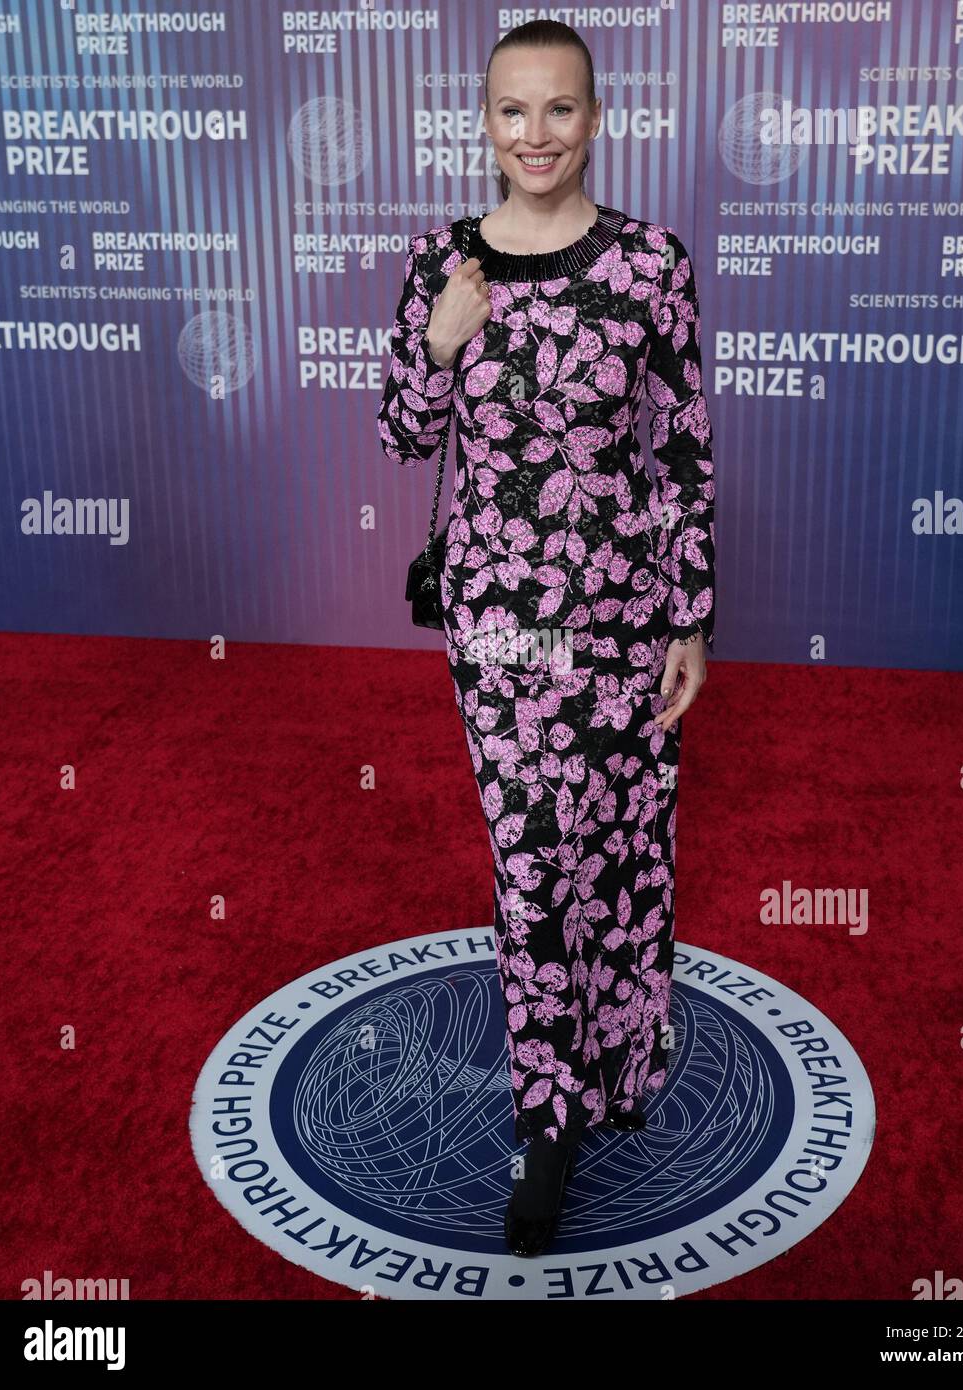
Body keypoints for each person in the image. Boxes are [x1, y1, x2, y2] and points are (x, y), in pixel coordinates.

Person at [376, 18, 715, 1257]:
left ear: (596, 116)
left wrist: (691, 615)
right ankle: (547, 1113)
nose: (535, 135)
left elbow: (678, 450)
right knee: (530, 862)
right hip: (499, 622)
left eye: (558, 109)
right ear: (482, 122)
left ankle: (622, 1054)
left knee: (622, 837)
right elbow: (404, 436)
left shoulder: (650, 265)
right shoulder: (438, 264)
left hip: (625, 609)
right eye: (511, 111)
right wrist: (441, 343)